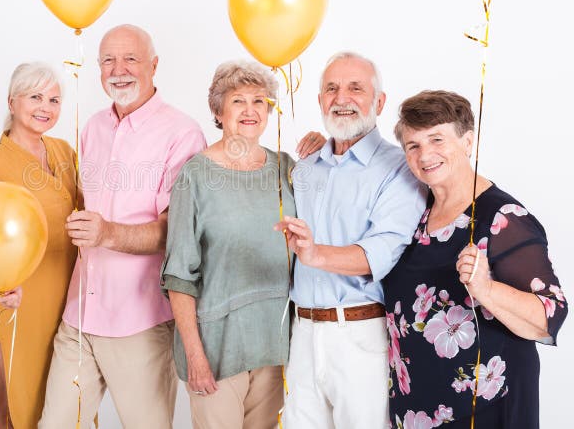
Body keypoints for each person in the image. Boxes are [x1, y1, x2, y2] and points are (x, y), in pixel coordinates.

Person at [39, 24, 207, 429]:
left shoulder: (182, 133)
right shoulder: (92, 126)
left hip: (141, 323)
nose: (119, 69)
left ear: (153, 65)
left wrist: (107, 233)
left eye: (130, 58)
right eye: (108, 60)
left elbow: (177, 233)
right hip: (78, 318)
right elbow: (84, 209)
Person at [381, 90, 567, 428]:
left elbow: (548, 316)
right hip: (418, 407)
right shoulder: (413, 212)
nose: (425, 154)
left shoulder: (503, 218)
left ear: (468, 141)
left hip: (486, 409)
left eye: (437, 139)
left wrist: (486, 288)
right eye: (413, 145)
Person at [162, 60, 325, 429]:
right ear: (219, 111)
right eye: (239, 101)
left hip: (274, 344)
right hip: (218, 350)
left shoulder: (286, 167)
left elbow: (328, 216)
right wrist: (195, 357)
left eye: (260, 101)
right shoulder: (195, 175)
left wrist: (324, 148)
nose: (251, 110)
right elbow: (178, 275)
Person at [276, 51, 426, 428]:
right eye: (331, 89)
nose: (341, 99)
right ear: (320, 101)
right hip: (303, 333)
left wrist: (314, 254)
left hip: (359, 337)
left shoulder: (399, 169)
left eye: (355, 88)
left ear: (379, 102)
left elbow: (378, 255)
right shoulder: (306, 167)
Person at [0, 63, 78, 428]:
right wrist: (4, 283)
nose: (45, 106)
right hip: (13, 296)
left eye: (54, 99)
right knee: (8, 403)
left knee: (57, 405)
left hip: (63, 298)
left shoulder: (65, 153)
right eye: (35, 96)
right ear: (12, 102)